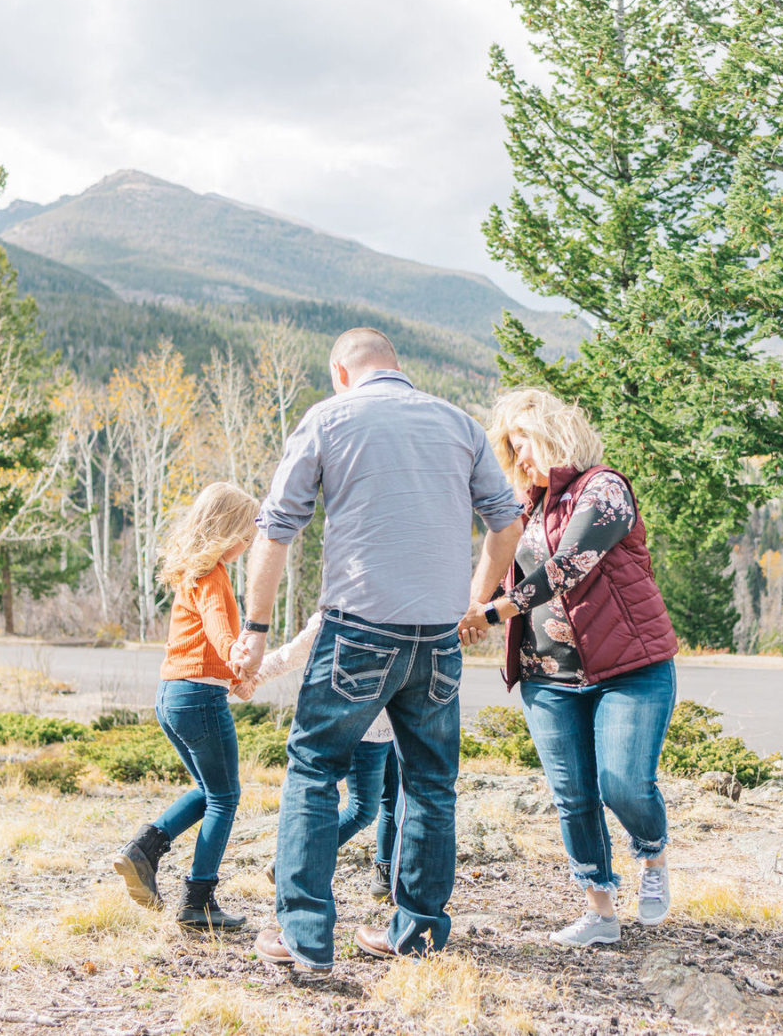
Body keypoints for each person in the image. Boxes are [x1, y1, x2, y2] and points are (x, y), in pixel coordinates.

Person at [230, 327, 523, 974]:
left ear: (342, 371)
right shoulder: (458, 424)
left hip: (358, 629)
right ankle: (416, 932)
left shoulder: (330, 418)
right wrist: (475, 601)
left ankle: (304, 933)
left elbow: (275, 531)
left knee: (314, 768)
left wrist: (255, 627)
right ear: (398, 367)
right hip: (438, 638)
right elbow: (508, 523)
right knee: (430, 784)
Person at [462, 388, 680, 948]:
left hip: (628, 669)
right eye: (510, 451)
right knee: (574, 796)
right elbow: (496, 550)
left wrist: (495, 612)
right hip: (548, 678)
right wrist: (469, 604)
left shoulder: (604, 488)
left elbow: (570, 565)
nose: (521, 460)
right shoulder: (523, 504)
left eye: (524, 445)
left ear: (553, 433)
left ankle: (652, 857)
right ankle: (600, 911)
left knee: (623, 784)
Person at [113, 482, 259, 930]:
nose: (250, 542)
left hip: (173, 695)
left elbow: (198, 642)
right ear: (226, 530)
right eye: (246, 534)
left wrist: (236, 675)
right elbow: (216, 628)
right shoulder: (213, 576)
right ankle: (198, 901)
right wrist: (236, 652)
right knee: (226, 797)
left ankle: (144, 849)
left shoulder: (192, 573)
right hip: (197, 698)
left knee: (207, 789)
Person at [255, 610, 400, 902]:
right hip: (363, 727)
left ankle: (384, 874)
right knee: (362, 809)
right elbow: (290, 656)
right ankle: (291, 862)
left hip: (398, 724)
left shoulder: (400, 605)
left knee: (394, 802)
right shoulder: (334, 614)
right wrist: (251, 675)